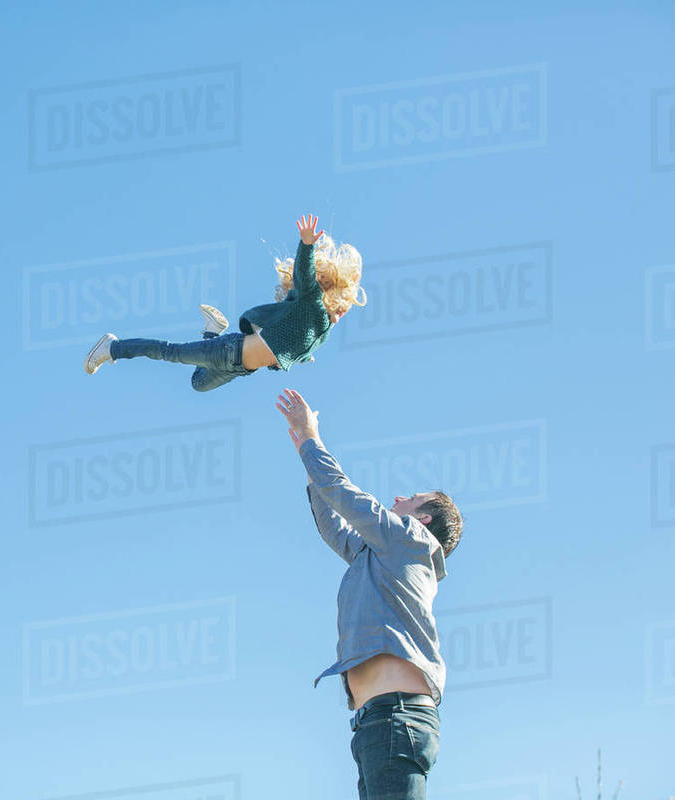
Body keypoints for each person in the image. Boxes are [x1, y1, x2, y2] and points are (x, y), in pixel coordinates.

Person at [275, 388, 463, 800]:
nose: (398, 499)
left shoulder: (412, 539)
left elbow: (345, 495)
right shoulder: (380, 554)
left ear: (424, 517)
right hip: (376, 720)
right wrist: (313, 470)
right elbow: (333, 527)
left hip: (398, 717)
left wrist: (311, 438)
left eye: (411, 499)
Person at [83, 215, 365, 391]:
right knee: (169, 352)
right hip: (230, 349)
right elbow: (305, 276)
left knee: (198, 384)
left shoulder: (320, 335)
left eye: (345, 311)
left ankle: (212, 328)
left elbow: (299, 354)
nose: (340, 314)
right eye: (340, 307)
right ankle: (113, 347)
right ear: (331, 298)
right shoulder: (311, 304)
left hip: (239, 368)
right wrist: (306, 245)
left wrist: (305, 356)